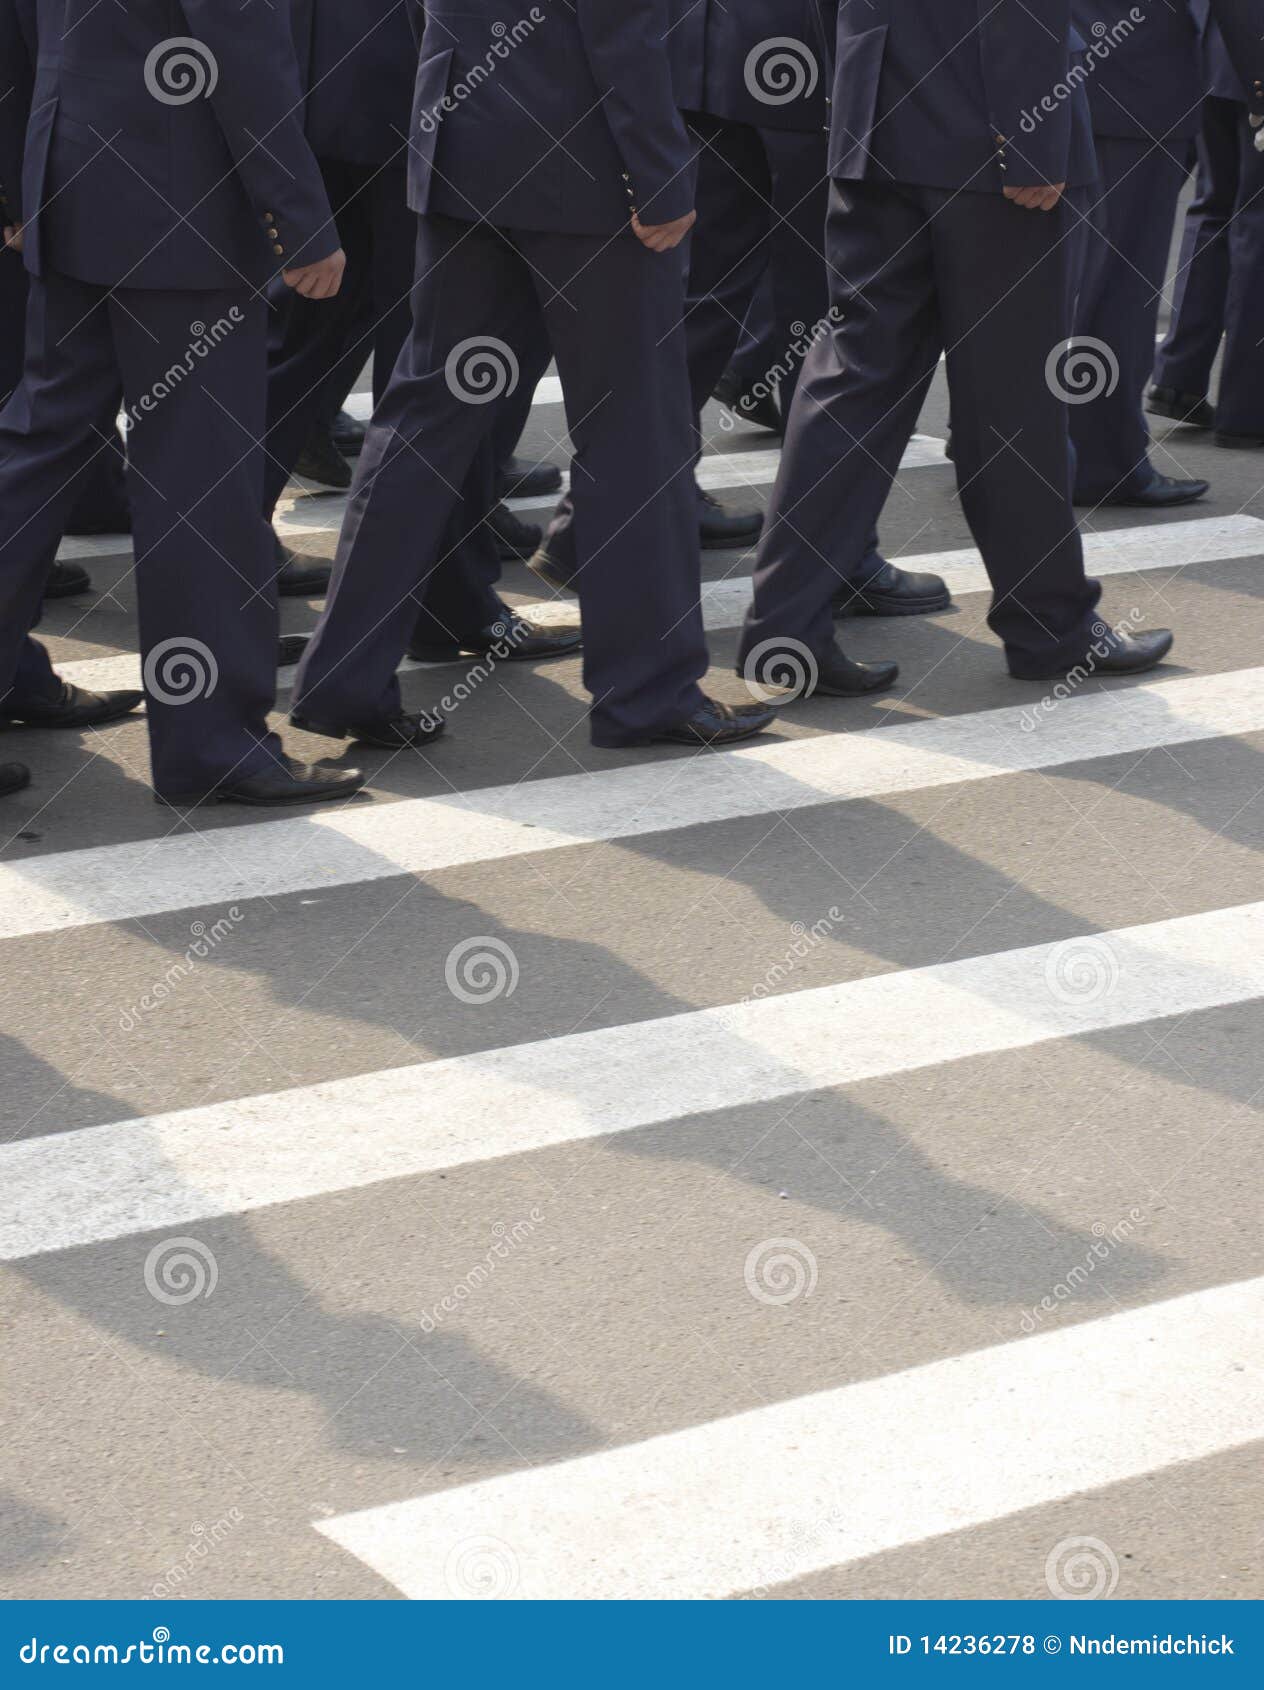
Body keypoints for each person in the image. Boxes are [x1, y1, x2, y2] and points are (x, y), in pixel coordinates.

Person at [293, 0, 774, 751]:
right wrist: (657, 166)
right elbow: (620, 25)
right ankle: (647, 692)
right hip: (587, 157)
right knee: (633, 434)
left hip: (466, 138)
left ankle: (344, 679)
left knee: (424, 420)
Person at [739, 0, 1173, 696]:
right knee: (1015, 401)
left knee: (854, 382)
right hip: (989, 129)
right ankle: (1050, 627)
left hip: (875, 110)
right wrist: (1032, 132)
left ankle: (784, 631)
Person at [0, 0, 363, 806]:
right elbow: (242, 50)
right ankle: (212, 743)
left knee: (35, 454)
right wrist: (301, 219)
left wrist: (17, 182)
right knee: (201, 490)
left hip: (71, 171)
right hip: (176, 197)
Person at [268, 0, 578, 667]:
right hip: (417, 88)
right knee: (450, 375)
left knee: (315, 336)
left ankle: (226, 561)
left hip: (341, 76)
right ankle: (450, 596)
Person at [1068, 0, 1264, 507]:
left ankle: (998, 441)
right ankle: (1102, 460)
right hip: (1133, 79)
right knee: (1117, 288)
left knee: (1063, 277)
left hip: (1059, 69)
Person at [1149, 1, 1264, 447]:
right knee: (1254, 225)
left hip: (1217, 53)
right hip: (1252, 61)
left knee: (1215, 209)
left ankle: (1179, 376)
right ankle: (1248, 408)